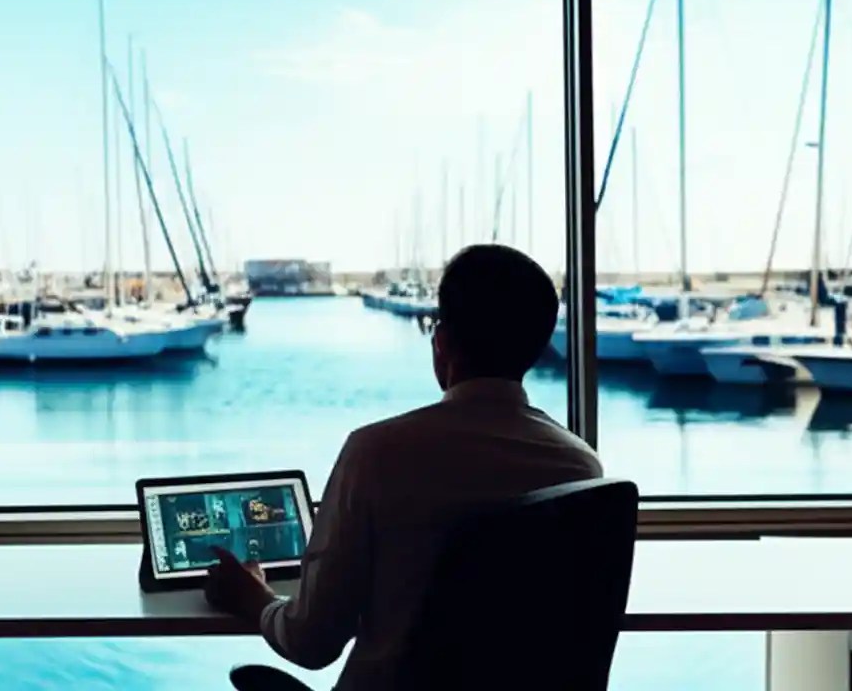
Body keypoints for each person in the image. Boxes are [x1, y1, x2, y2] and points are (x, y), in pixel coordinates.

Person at [205, 244, 602, 690]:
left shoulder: (377, 453)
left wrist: (255, 599)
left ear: (443, 342)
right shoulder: (580, 468)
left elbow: (311, 643)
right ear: (537, 343)